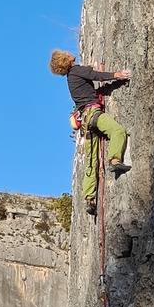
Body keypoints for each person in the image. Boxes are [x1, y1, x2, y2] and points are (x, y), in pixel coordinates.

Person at [49, 50, 130, 216]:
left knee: (91, 161)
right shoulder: (76, 71)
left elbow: (88, 75)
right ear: (66, 60)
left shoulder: (71, 78)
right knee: (117, 130)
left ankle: (89, 198)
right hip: (94, 114)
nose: (68, 52)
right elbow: (96, 76)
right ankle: (114, 159)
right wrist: (118, 75)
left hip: (85, 121)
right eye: (65, 53)